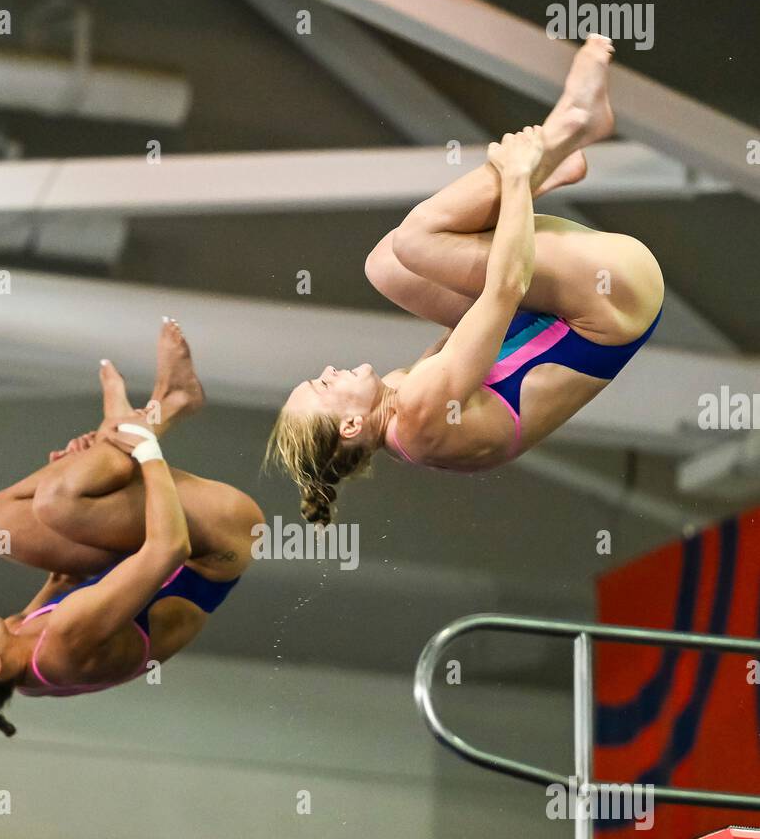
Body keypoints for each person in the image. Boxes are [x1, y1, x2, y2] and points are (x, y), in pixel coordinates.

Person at [267, 36, 664, 525]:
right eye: (322, 385)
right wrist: (516, 178)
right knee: (417, 240)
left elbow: (476, 328)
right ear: (350, 424)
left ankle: (557, 157)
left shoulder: (398, 406)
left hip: (565, 314)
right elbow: (505, 288)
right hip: (615, 301)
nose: (328, 370)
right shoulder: (417, 413)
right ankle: (568, 126)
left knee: (387, 264)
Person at [0, 322, 262, 736]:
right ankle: (155, 414)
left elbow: (68, 575)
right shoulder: (66, 639)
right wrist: (146, 453)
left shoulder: (12, 641)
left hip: (152, 548)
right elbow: (169, 547)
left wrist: (74, 465)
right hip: (214, 548)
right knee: (61, 501)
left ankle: (131, 427)